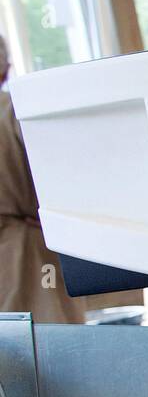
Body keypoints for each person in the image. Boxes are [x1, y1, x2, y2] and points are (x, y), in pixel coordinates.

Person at [0, 34, 81, 323]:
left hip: (21, 245)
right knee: (48, 351)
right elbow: (60, 180)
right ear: (5, 69)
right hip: (24, 257)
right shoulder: (16, 111)